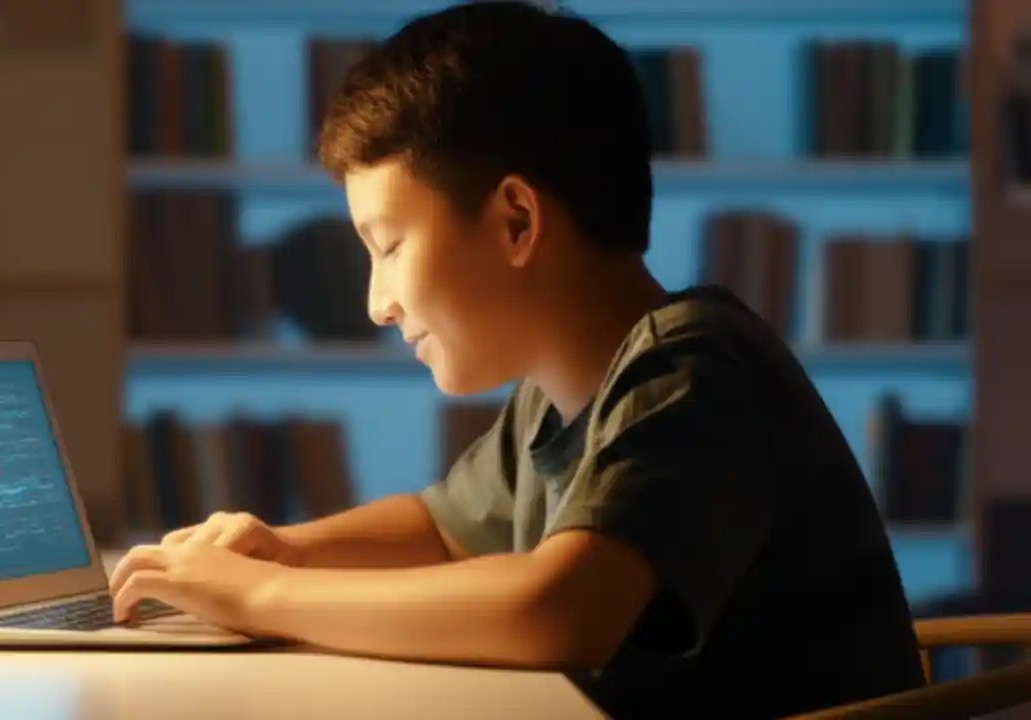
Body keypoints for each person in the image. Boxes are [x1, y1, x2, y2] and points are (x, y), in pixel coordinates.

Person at [109, 2, 927, 716]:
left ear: (516, 222)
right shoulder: (558, 397)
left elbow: (556, 609)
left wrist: (266, 596)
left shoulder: (695, 370)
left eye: (388, 246)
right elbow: (441, 528)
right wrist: (283, 547)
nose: (377, 303)